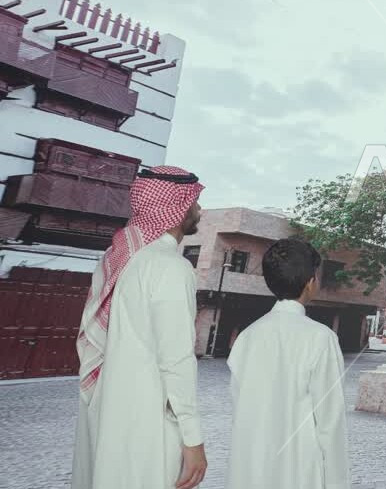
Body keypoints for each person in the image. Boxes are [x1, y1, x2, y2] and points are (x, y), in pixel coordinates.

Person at [72, 166, 207, 489]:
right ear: (176, 207)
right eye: (195, 201)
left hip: (106, 410)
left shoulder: (116, 257)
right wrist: (193, 439)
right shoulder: (170, 267)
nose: (200, 209)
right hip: (149, 420)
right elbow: (176, 359)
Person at [227, 238, 349, 489]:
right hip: (300, 469)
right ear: (310, 282)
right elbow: (330, 421)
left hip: (250, 466)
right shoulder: (320, 337)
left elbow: (239, 408)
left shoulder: (248, 336)